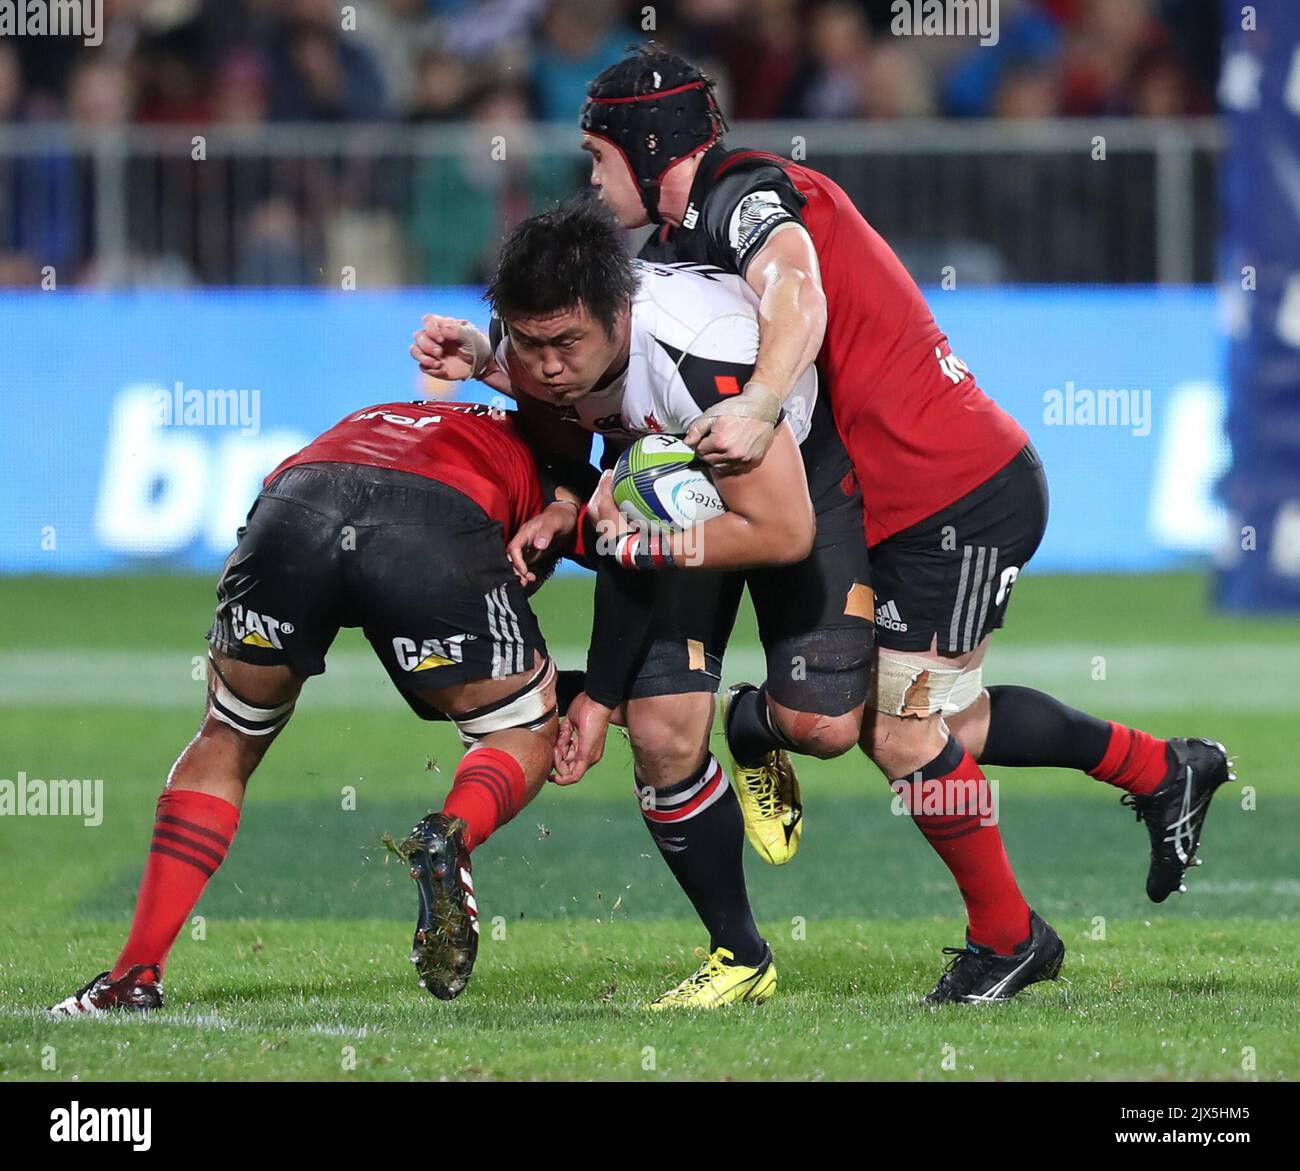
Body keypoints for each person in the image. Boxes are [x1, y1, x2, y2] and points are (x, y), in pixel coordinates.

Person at [571, 46, 1234, 1004]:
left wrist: (757, 403)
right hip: (908, 496)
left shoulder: (743, 196)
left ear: (645, 145)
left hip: (949, 492)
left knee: (902, 729)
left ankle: (1010, 937)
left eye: (598, 154)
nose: (591, 178)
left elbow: (798, 286)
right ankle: (1162, 768)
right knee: (947, 715)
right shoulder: (681, 246)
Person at [413, 198, 875, 1008]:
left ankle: (755, 724)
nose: (548, 367)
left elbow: (781, 531)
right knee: (660, 736)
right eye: (528, 343)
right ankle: (742, 954)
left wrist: (637, 543)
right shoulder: (537, 353)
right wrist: (601, 694)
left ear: (619, 315)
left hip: (789, 482)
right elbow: (615, 510)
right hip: (673, 487)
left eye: (566, 344)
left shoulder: (701, 361)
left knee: (825, 727)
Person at [51, 399, 586, 1014]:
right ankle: (452, 833)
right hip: (432, 518)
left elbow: (285, 509)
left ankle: (133, 976)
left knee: (226, 737)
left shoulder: (387, 414)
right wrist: (592, 693)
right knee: (518, 729)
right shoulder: (552, 461)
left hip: (293, 505)